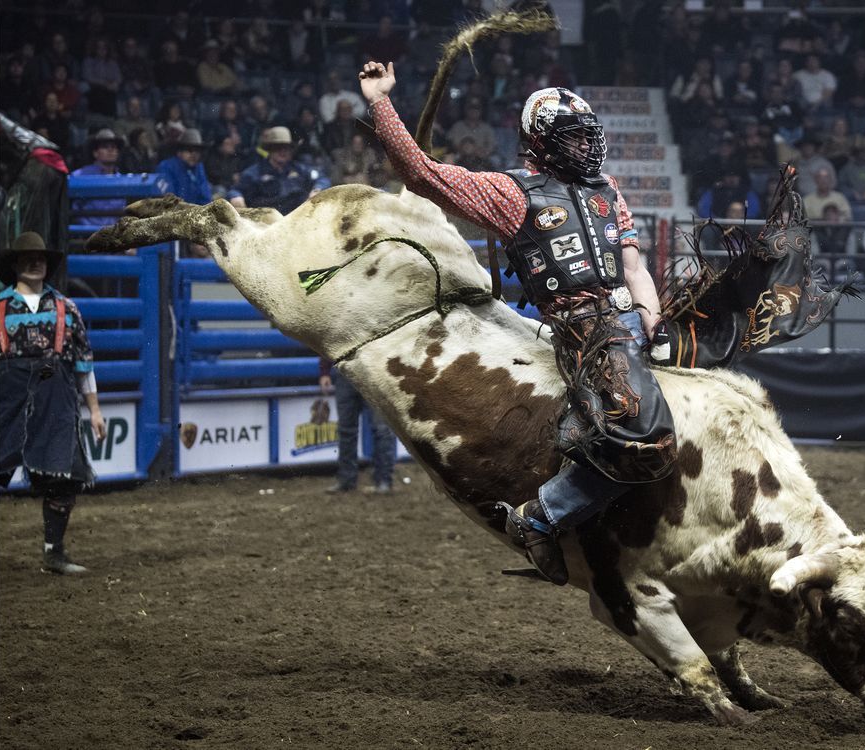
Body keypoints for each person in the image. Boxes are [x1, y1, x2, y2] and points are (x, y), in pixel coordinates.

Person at [359, 60, 677, 585]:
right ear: (542, 142)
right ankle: (543, 516)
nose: (586, 148)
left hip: (626, 322)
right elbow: (422, 173)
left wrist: (653, 320)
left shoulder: (607, 190)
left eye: (587, 138)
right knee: (649, 440)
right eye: (572, 140)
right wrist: (380, 103)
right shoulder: (512, 194)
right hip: (582, 329)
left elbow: (634, 268)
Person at [0, 232, 107, 574]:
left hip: (55, 396)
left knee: (66, 475)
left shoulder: (66, 308)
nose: (35, 262)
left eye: (41, 258)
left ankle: (54, 552)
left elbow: (83, 362)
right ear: (16, 264)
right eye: (28, 257)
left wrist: (95, 410)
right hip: (6, 398)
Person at [319, 358, 397, 494]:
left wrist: (325, 371)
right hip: (355, 372)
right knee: (351, 430)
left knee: (378, 430)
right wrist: (324, 371)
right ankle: (355, 480)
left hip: (372, 372)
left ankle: (381, 480)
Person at [235, 127, 329, 213]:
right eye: (278, 148)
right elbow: (236, 190)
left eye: (286, 148)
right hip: (266, 221)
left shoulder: (300, 169)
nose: (282, 152)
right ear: (270, 149)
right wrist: (236, 197)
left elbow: (322, 178)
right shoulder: (254, 173)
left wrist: (317, 189)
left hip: (296, 219)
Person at [71, 128, 127, 227]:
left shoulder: (123, 179)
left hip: (115, 235)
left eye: (114, 147)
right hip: (86, 234)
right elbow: (75, 209)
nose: (111, 150)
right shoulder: (79, 176)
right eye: (105, 147)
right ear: (95, 153)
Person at [156, 129, 213, 205]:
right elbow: (168, 201)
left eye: (197, 151)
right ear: (179, 152)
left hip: (196, 212)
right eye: (190, 150)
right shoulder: (166, 166)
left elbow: (205, 198)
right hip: (174, 213)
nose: (194, 154)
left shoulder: (199, 166)